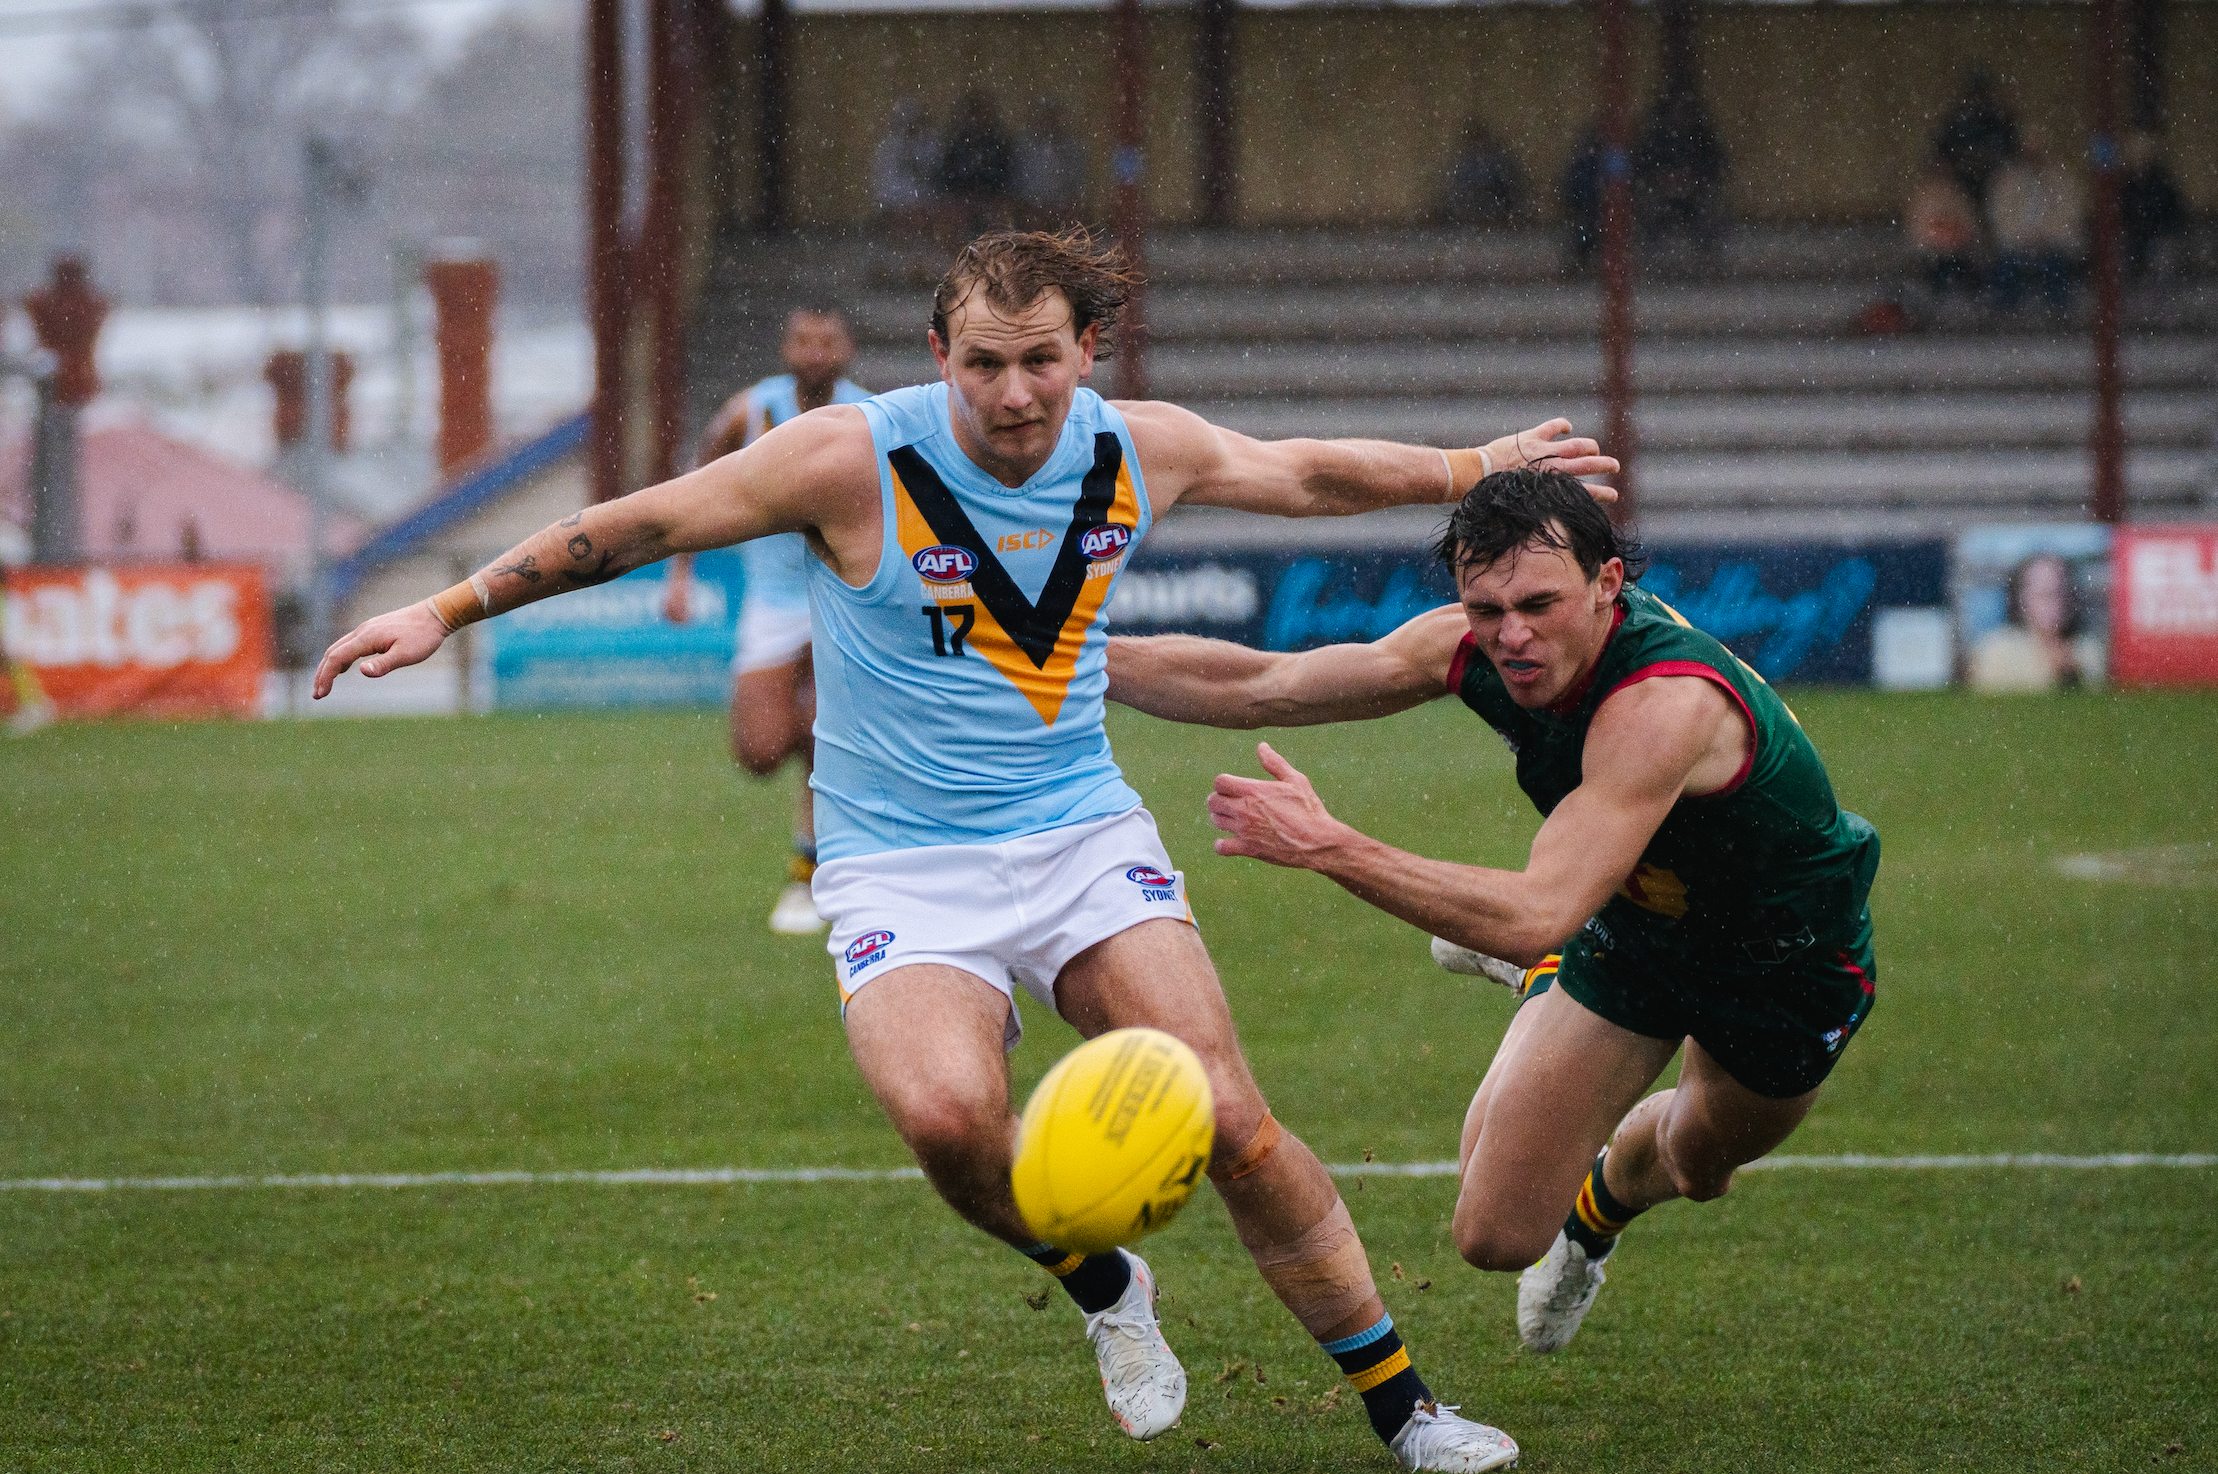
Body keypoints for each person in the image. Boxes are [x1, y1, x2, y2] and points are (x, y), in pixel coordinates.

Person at [312, 228, 1618, 1470]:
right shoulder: (845, 458)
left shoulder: (1135, 448)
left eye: (1040, 358)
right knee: (947, 1119)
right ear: (938, 354)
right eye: (982, 362)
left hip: (1077, 832)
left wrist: (1474, 463)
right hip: (898, 862)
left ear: (1088, 349)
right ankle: (1102, 1280)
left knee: (1229, 1116)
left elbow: (1303, 473)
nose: (1012, 391)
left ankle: (1405, 1409)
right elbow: (645, 523)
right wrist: (447, 606)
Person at [1107, 468, 1880, 1364]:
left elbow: (1534, 911)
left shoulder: (1664, 705)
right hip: (1631, 931)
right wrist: (1064, 656)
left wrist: (1329, 845)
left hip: (1782, 962)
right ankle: (1553, 983)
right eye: (1486, 608)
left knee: (1697, 1166)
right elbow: (1267, 683)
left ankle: (1598, 1214)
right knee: (1494, 1235)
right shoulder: (1467, 646)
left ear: (1608, 584)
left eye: (1539, 604)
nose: (1511, 635)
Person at [680, 307, 872, 935]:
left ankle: (810, 866)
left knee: (826, 726)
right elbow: (697, 482)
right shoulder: (750, 411)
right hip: (771, 601)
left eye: (827, 341)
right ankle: (832, 773)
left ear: (846, 349)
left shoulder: (868, 415)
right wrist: (680, 574)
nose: (815, 352)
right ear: (786, 349)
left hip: (842, 596)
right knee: (759, 751)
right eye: (804, 341)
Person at [1968, 551, 2105, 691]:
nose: (2053, 603)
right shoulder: (1996, 651)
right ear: (2021, 599)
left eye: (2059, 593)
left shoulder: (2088, 651)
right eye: (2042, 595)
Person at [1987, 127, 2085, 316]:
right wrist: (2022, 237)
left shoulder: (2060, 179)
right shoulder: (2007, 181)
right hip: (2016, 245)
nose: (2033, 157)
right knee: (2006, 268)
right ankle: (2006, 317)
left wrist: (2046, 235)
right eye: (2028, 152)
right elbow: (2000, 215)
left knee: (2056, 266)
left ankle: (2058, 316)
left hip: (2052, 244)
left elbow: (2069, 214)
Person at [1933, 69, 2018, 213]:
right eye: (1976, 94)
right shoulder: (1958, 122)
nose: (1979, 98)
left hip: (1996, 184)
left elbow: (2014, 155)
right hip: (1962, 184)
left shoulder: (2000, 122)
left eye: (1982, 93)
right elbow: (1941, 155)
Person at [1904, 161, 1982, 301]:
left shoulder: (1956, 194)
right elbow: (1920, 231)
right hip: (1931, 257)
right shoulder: (1923, 196)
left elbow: (1968, 225)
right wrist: (1943, 237)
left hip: (1958, 254)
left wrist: (1954, 236)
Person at [940, 92, 1016, 235]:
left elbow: (1008, 176)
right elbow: (946, 177)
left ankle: (998, 243)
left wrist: (991, 195)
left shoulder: (998, 144)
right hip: (962, 197)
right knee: (952, 215)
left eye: (982, 115)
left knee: (1001, 214)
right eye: (972, 115)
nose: (977, 121)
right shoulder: (956, 145)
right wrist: (964, 195)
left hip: (993, 197)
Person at [1011, 96, 1089, 232]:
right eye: (1042, 116)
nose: (1046, 121)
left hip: (1062, 211)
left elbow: (1078, 189)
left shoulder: (1070, 147)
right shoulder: (1022, 146)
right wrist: (1031, 210)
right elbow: (1014, 189)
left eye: (1050, 116)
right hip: (1030, 211)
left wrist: (1061, 210)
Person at [2121, 132, 2189, 281]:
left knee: (2161, 264)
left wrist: (2163, 232)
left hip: (2157, 236)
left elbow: (2169, 210)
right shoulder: (2130, 184)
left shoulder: (2158, 182)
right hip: (2139, 236)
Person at [1439, 119, 1527, 227]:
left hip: (1496, 216)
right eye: (1472, 140)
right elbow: (1451, 191)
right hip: (1465, 219)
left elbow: (1509, 189)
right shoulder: (1461, 164)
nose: (1475, 144)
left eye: (1478, 139)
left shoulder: (1498, 161)